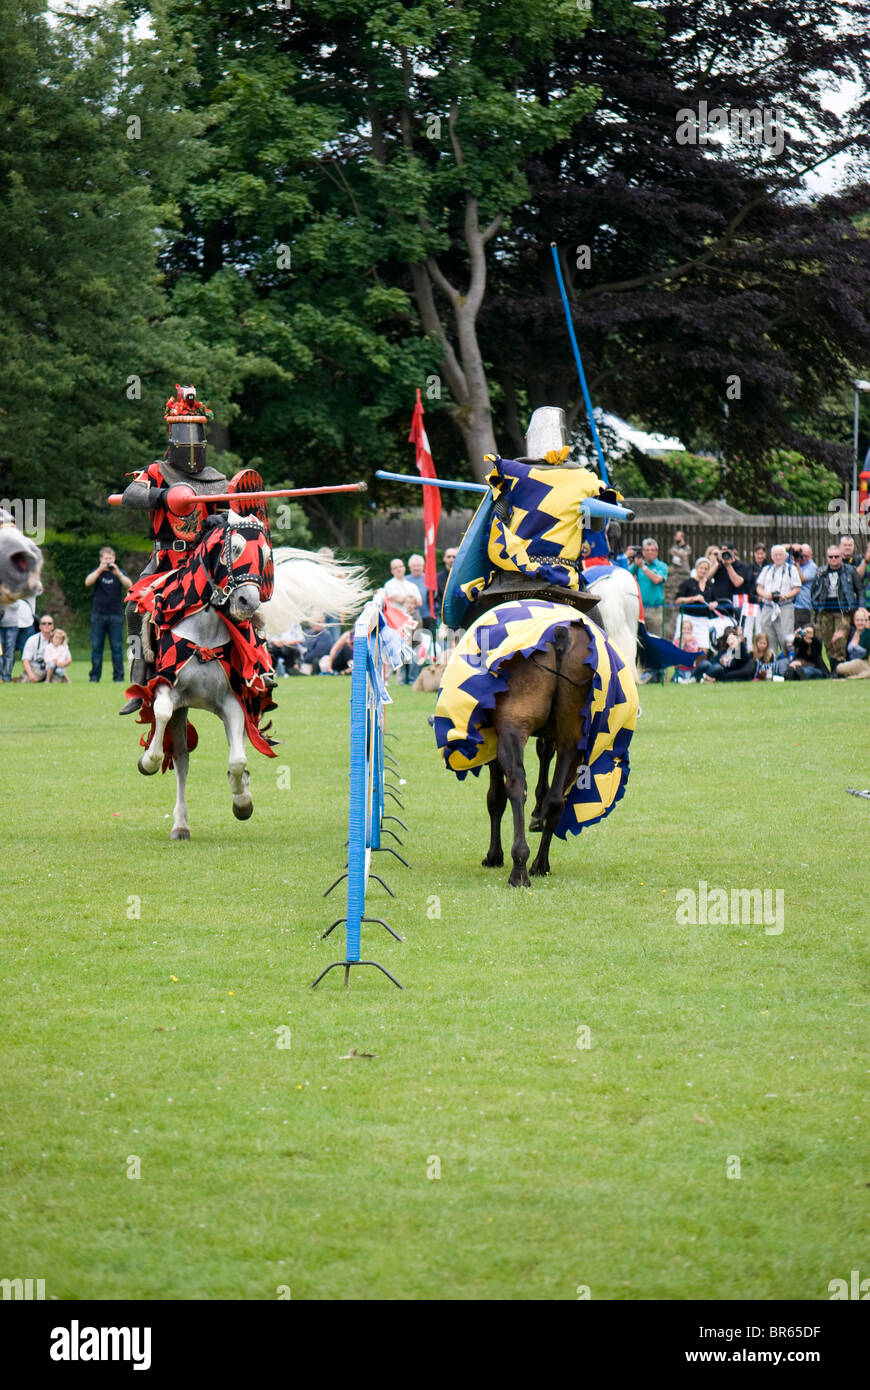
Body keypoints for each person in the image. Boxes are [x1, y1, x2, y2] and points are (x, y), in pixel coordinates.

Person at [118, 385, 228, 714]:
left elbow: (229, 512)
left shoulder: (217, 479)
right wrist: (163, 497)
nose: (191, 440)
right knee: (134, 609)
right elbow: (130, 496)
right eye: (184, 431)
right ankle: (140, 679)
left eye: (196, 431)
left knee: (241, 604)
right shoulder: (157, 472)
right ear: (172, 435)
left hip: (203, 562)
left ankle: (253, 674)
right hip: (166, 561)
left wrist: (217, 522)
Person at [475, 407, 621, 600]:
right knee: (596, 626)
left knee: (471, 616)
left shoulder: (511, 474)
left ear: (531, 438)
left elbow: (496, 523)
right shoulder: (586, 480)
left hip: (514, 577)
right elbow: (594, 527)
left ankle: (451, 631)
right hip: (564, 579)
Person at [811, 545, 862, 675]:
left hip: (843, 611)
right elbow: (814, 591)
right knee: (828, 643)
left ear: (841, 557)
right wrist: (815, 606)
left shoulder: (850, 570)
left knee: (839, 641)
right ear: (826, 558)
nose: (833, 559)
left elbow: (859, 589)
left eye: (836, 556)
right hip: (825, 612)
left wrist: (859, 607)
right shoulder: (820, 572)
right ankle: (834, 670)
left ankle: (838, 670)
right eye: (831, 557)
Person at [84, 546, 132, 683]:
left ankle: (119, 677)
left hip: (115, 616)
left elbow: (130, 585)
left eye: (110, 558)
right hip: (98, 616)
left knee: (117, 648)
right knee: (96, 647)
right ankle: (94, 677)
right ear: (101, 559)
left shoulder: (119, 573)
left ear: (114, 558)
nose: (108, 561)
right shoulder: (98, 572)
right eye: (105, 559)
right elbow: (87, 582)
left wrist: (118, 573)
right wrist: (100, 569)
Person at [756, 544, 802, 655]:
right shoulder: (767, 569)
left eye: (780, 555)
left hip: (785, 606)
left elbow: (797, 588)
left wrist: (785, 596)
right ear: (771, 556)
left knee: (786, 637)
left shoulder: (791, 569)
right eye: (775, 555)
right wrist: (765, 595)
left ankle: (787, 661)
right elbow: (759, 587)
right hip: (768, 606)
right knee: (767, 635)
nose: (777, 557)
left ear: (785, 556)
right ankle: (771, 660)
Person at [672, 555, 717, 649]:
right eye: (701, 568)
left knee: (704, 647)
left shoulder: (710, 585)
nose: (703, 571)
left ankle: (699, 664)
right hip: (687, 618)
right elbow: (677, 600)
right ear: (696, 568)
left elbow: (715, 600)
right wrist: (693, 598)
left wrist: (714, 604)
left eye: (706, 569)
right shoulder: (687, 583)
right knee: (682, 646)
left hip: (703, 619)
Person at [628, 538, 668, 636]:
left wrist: (643, 567)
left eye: (652, 550)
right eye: (646, 550)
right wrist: (626, 557)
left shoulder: (662, 566)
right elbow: (624, 575)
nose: (649, 552)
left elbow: (657, 580)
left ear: (657, 552)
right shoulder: (637, 565)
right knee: (638, 638)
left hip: (655, 610)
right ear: (642, 552)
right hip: (639, 609)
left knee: (655, 638)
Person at [0, 595, 36, 681]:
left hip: (26, 623)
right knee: (5, 652)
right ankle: (5, 677)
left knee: (27, 652)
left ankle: (31, 675)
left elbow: (37, 589)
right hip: (5, 624)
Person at [835, 607, 870, 678]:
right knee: (839, 667)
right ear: (854, 621)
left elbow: (864, 645)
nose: (859, 622)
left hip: (864, 662)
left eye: (862, 620)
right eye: (857, 620)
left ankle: (859, 675)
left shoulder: (867, 633)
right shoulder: (851, 632)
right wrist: (836, 640)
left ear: (866, 621)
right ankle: (862, 674)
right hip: (852, 663)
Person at [21, 614, 56, 682]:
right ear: (40, 626)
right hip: (36, 668)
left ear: (53, 626)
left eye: (49, 623)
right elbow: (25, 661)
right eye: (44, 623)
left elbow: (67, 659)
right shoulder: (32, 640)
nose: (47, 625)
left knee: (58, 682)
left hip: (52, 668)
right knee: (26, 681)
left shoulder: (58, 639)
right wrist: (31, 675)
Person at [791, 543, 817, 631]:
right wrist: (792, 546)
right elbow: (778, 549)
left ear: (811, 556)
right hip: (790, 605)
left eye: (807, 556)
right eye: (802, 556)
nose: (804, 558)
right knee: (791, 634)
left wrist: (797, 564)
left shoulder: (812, 567)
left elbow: (801, 579)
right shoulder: (792, 561)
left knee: (802, 633)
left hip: (803, 607)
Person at [838, 535, 867, 606]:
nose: (848, 547)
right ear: (839, 546)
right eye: (845, 545)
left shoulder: (860, 560)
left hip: (858, 600)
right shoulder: (834, 559)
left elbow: (859, 578)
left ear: (853, 546)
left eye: (850, 545)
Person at [435, 548, 457, 613]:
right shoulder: (438, 577)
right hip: (443, 613)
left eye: (454, 557)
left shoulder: (462, 575)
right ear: (444, 558)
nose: (451, 559)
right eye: (449, 556)